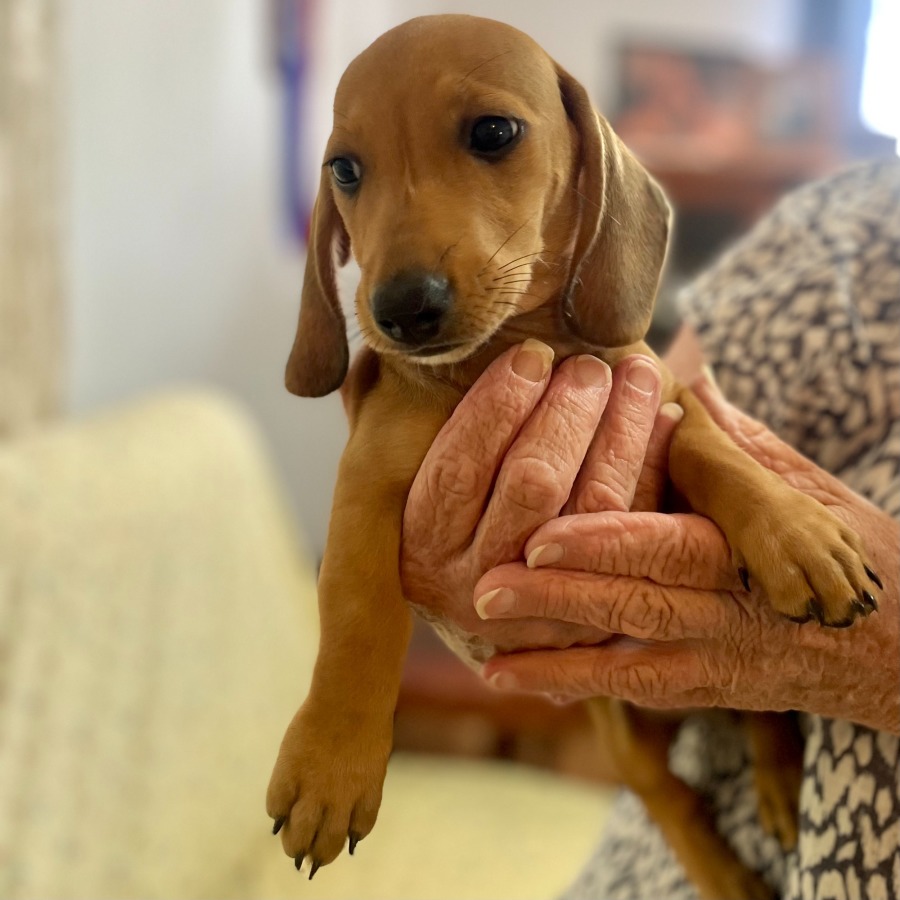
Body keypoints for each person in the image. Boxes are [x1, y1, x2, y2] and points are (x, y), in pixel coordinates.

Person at [400, 159, 900, 900]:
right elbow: (673, 414)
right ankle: (682, 817)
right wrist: (484, 575)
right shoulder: (857, 217)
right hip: (666, 829)